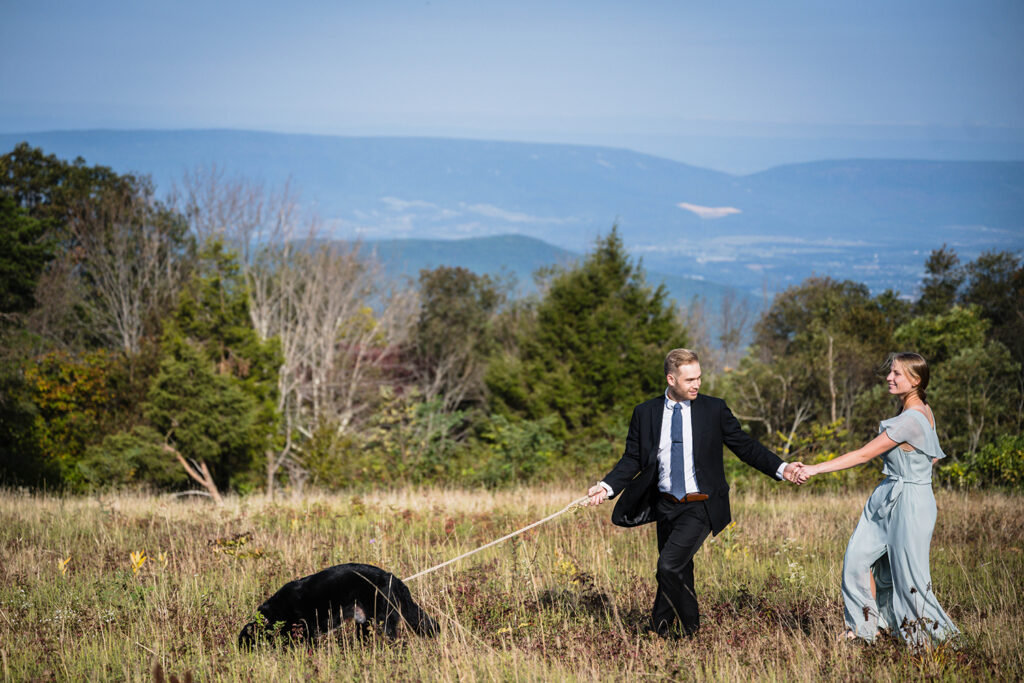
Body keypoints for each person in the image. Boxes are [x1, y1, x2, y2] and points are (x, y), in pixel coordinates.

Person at [585, 348, 803, 637]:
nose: (697, 385)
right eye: (689, 380)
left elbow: (744, 445)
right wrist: (606, 486)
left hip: (700, 506)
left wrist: (782, 467)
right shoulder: (646, 412)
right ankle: (662, 631)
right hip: (664, 506)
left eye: (699, 377)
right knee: (677, 570)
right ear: (671, 378)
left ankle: (691, 628)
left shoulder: (713, 409)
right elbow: (633, 459)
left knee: (668, 565)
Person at [794, 352, 959, 647]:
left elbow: (863, 454)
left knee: (911, 582)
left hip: (909, 503)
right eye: (890, 372)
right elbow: (932, 457)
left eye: (896, 373)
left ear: (916, 380)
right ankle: (866, 629)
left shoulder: (912, 418)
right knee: (857, 560)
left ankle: (944, 644)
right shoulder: (922, 411)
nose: (888, 378)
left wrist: (814, 468)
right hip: (889, 496)